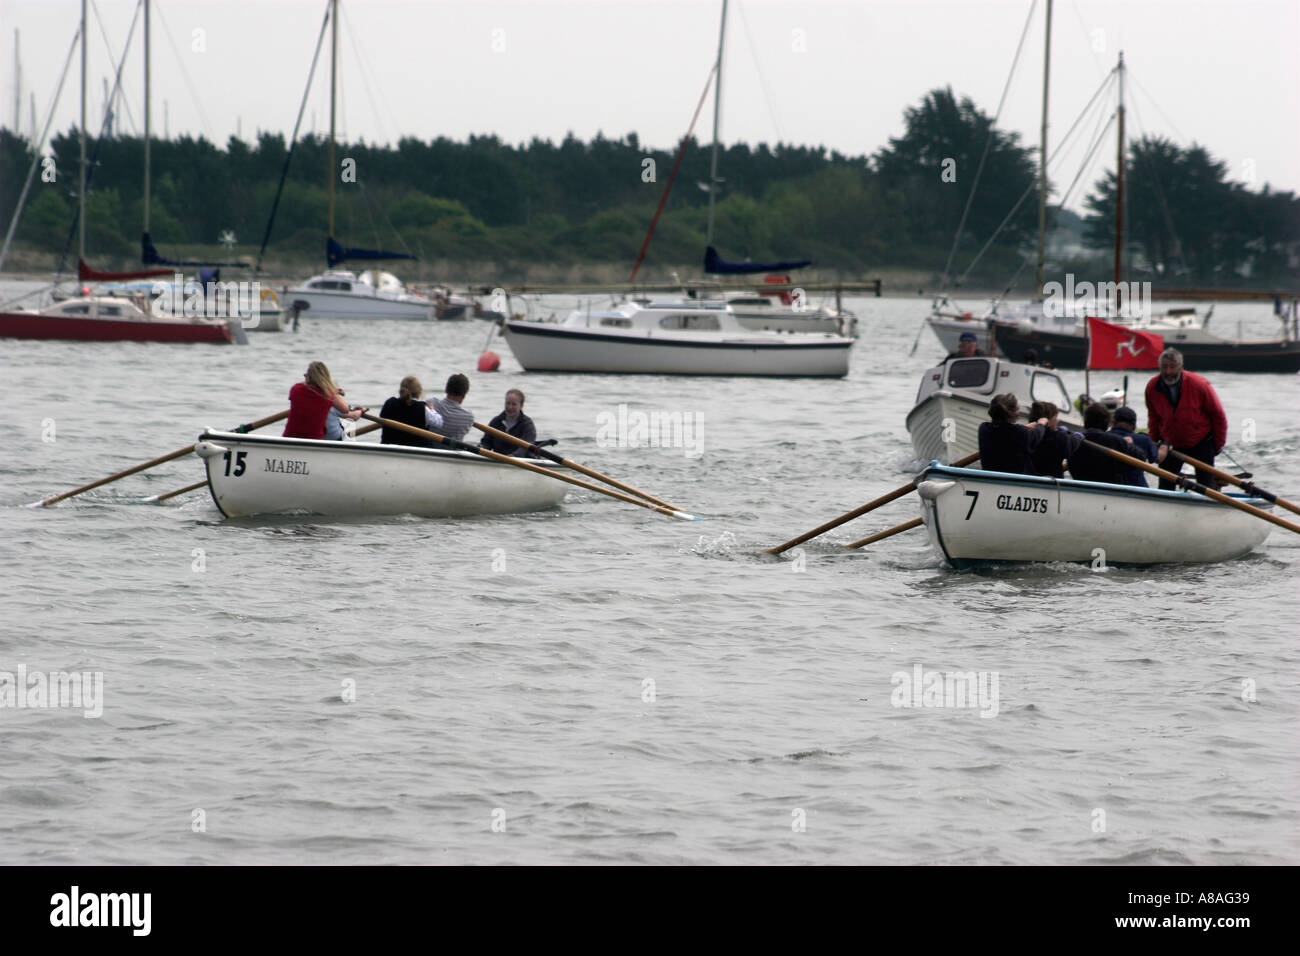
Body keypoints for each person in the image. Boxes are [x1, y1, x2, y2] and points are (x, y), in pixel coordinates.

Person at [1144, 347, 1227, 490]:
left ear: (1181, 367)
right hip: (1170, 443)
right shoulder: (1152, 387)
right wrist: (1153, 443)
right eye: (1164, 367)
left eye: (1172, 367)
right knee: (1165, 485)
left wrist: (1217, 445)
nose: (1168, 372)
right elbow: (1153, 417)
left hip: (1201, 441)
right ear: (1159, 367)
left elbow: (1218, 415)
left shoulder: (1199, 384)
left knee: (1205, 486)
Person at [284, 361, 364, 439]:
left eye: (307, 374)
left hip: (289, 437)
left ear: (308, 376)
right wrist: (334, 391)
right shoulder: (329, 395)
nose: (304, 375)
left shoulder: (296, 389)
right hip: (315, 440)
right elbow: (345, 409)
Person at [977, 393, 1046, 474]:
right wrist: (1041, 424)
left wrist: (1025, 428)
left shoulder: (984, 428)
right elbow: (1035, 436)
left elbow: (1007, 432)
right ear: (1012, 413)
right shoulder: (1020, 432)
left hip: (990, 478)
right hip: (1015, 482)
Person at [1066, 403, 1130, 484]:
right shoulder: (1118, 442)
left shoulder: (1072, 441)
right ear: (1107, 423)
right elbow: (1140, 457)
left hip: (1081, 485)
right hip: (1111, 489)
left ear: (1085, 421)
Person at [379, 376, 445, 448]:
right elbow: (439, 422)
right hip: (417, 453)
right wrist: (432, 410)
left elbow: (381, 420)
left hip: (388, 449)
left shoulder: (389, 403)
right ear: (419, 392)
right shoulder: (423, 409)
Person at [1108, 406, 1157, 488]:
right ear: (1134, 425)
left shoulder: (1104, 437)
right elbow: (1157, 458)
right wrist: (1165, 444)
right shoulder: (1144, 439)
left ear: (1113, 422)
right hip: (1138, 488)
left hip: (1109, 486)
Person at [479, 388, 536, 456]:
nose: (510, 407)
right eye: (508, 403)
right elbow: (486, 442)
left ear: (521, 406)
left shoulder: (527, 424)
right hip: (497, 459)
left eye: (514, 404)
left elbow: (526, 447)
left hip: (520, 461)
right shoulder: (496, 421)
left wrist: (512, 456)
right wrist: (482, 449)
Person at [1028, 400, 1078, 478]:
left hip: (1029, 479)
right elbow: (1072, 444)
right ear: (1048, 420)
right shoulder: (1058, 437)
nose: (1058, 420)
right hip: (1053, 484)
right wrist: (1076, 436)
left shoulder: (1027, 434)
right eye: (1056, 417)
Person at [430, 373, 475, 441]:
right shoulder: (468, 417)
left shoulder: (431, 403)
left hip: (429, 448)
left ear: (446, 389)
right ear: (464, 394)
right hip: (452, 450)